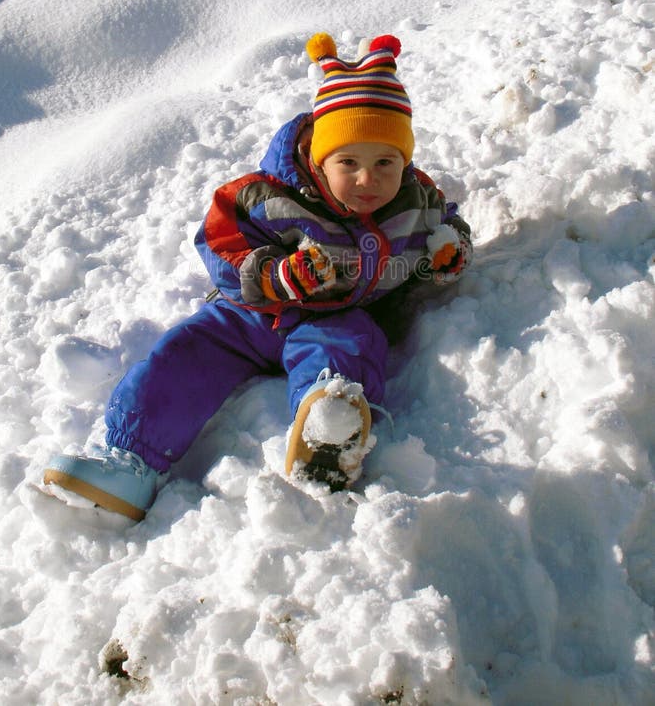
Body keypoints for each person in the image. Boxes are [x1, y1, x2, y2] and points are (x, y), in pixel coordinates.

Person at [44, 33, 472, 521]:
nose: (367, 179)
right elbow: (218, 240)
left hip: (330, 318)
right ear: (319, 157)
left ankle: (330, 431)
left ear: (405, 160)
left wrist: (448, 252)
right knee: (185, 355)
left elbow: (446, 227)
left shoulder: (415, 202)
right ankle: (129, 460)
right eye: (348, 162)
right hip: (248, 317)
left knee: (351, 343)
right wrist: (276, 274)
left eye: (385, 163)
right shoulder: (266, 196)